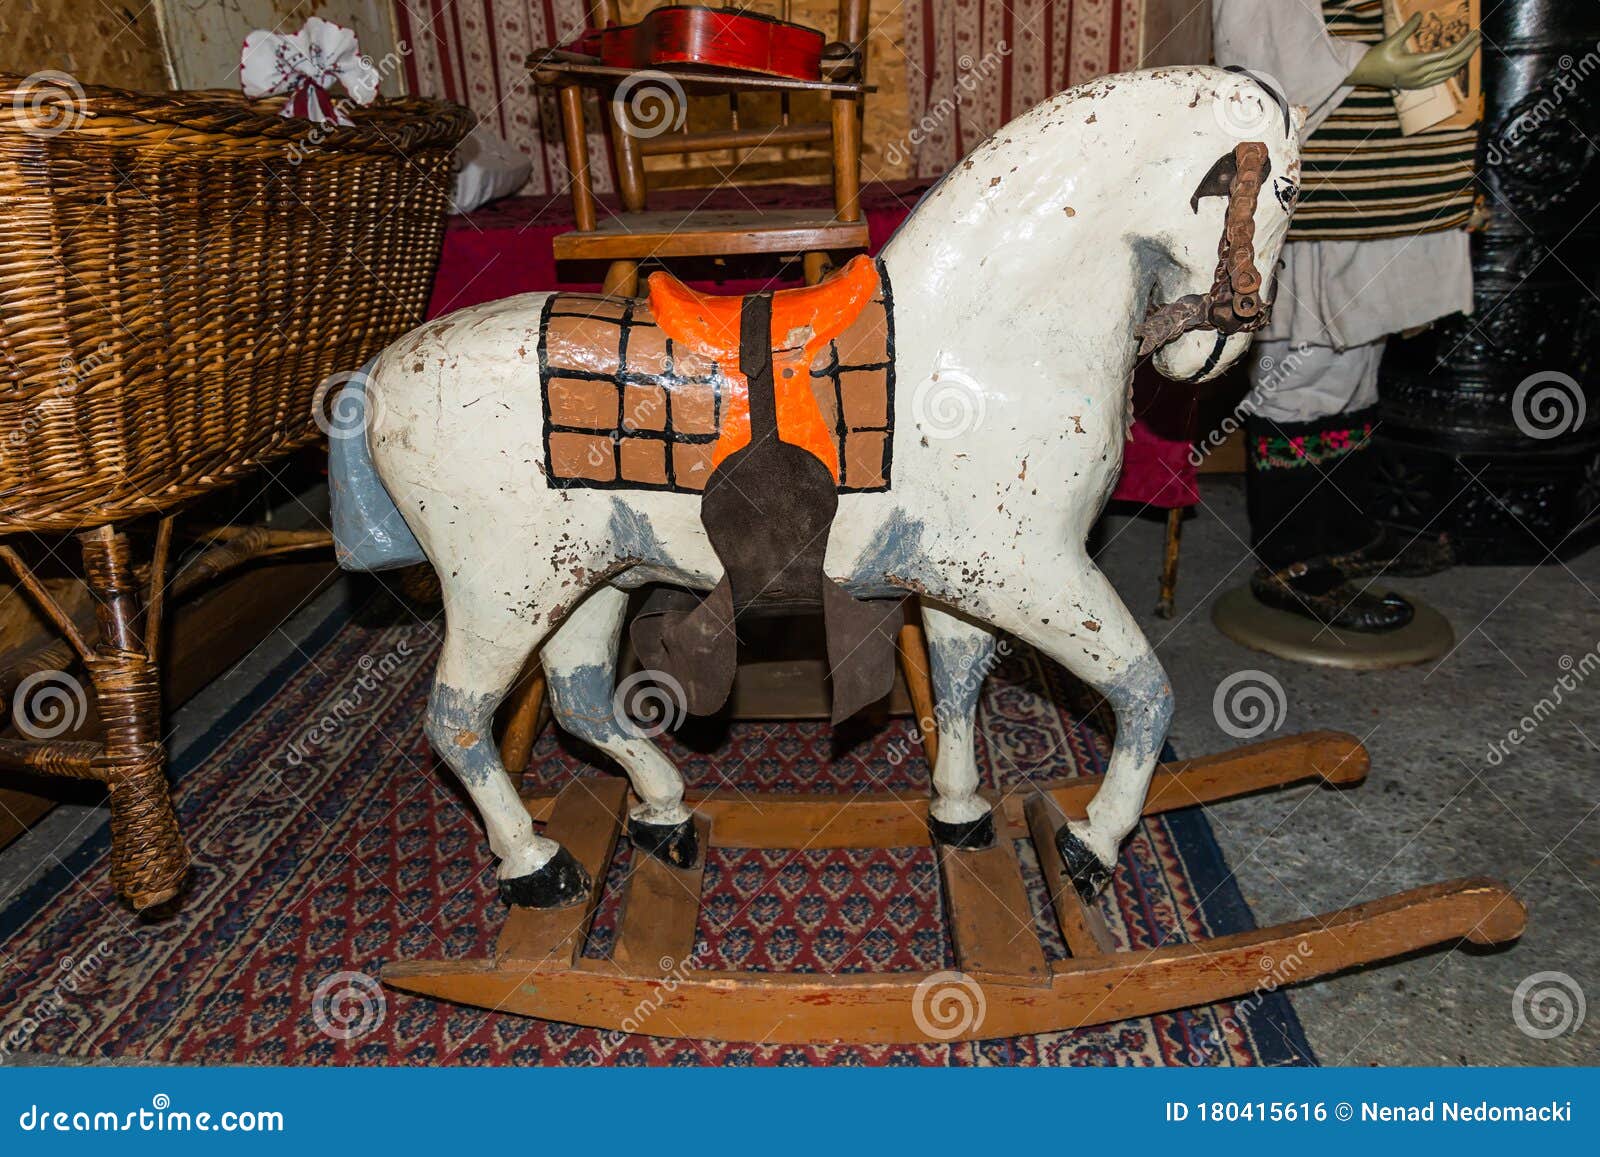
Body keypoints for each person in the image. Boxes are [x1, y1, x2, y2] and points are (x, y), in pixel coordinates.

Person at [1213, 2, 1480, 631]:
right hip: (1332, 176)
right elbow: (1257, 38)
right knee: (1301, 367)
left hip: (1390, 175)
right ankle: (1295, 560)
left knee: (1358, 359)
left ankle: (1345, 531)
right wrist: (1365, 64)